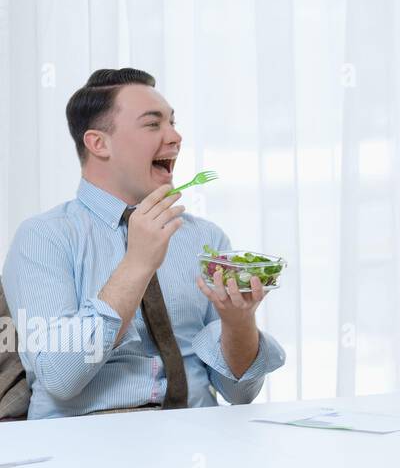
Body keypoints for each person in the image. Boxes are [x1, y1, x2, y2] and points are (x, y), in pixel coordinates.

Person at [1, 68, 285, 418]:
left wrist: (238, 322)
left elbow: (239, 392)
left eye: (172, 122)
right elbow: (61, 377)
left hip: (195, 436)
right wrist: (137, 264)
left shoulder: (204, 238)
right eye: (153, 125)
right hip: (82, 447)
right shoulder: (43, 238)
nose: (175, 136)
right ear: (98, 143)